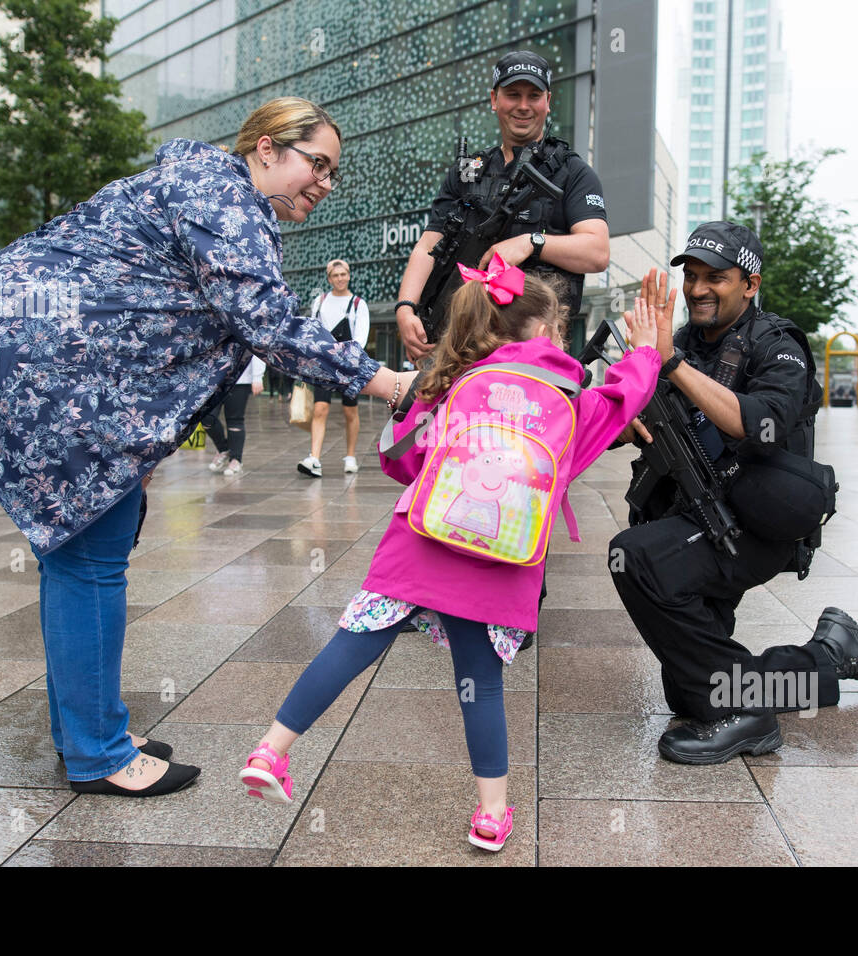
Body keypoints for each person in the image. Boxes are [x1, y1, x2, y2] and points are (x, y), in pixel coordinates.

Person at [0, 97, 417, 798]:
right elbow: (268, 324)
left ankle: (92, 729)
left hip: (60, 368)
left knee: (83, 557)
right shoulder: (224, 200)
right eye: (315, 163)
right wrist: (393, 384)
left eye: (333, 173)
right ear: (266, 148)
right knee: (89, 560)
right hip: (59, 372)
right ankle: (97, 753)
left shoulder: (209, 189)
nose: (322, 183)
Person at [238, 263, 664, 851]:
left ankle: (272, 750)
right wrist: (645, 353)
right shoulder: (570, 401)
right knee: (479, 684)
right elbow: (621, 400)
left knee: (351, 643)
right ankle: (491, 816)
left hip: (419, 547)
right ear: (543, 330)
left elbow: (402, 461)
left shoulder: (451, 380)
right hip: (500, 567)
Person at [606, 222, 858, 764]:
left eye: (716, 277)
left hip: (757, 521)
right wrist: (632, 411)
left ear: (750, 283)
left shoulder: (778, 345)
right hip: (698, 510)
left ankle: (748, 720)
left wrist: (670, 367)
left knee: (635, 558)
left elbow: (763, 423)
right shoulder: (682, 343)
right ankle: (829, 654)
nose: (699, 288)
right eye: (693, 276)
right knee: (691, 690)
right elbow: (641, 418)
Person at [393, 50, 610, 363]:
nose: (523, 106)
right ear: (494, 99)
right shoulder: (468, 171)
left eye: (533, 95)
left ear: (548, 101)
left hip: (535, 352)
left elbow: (597, 252)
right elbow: (429, 245)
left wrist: (530, 244)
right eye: (512, 95)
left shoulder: (573, 172)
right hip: (464, 344)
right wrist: (405, 308)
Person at [297, 259, 370, 477]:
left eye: (343, 274)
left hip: (349, 365)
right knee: (320, 409)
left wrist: (347, 359)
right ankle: (315, 458)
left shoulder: (358, 304)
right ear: (329, 278)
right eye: (335, 275)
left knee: (350, 411)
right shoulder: (320, 302)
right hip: (324, 364)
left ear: (349, 276)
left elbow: (361, 338)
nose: (340, 278)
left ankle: (350, 456)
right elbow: (314, 329)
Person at [205, 354, 264, 476]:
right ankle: (223, 449)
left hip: (240, 378)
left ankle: (236, 459)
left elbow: (256, 346)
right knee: (206, 417)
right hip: (214, 378)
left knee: (235, 420)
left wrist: (257, 377)